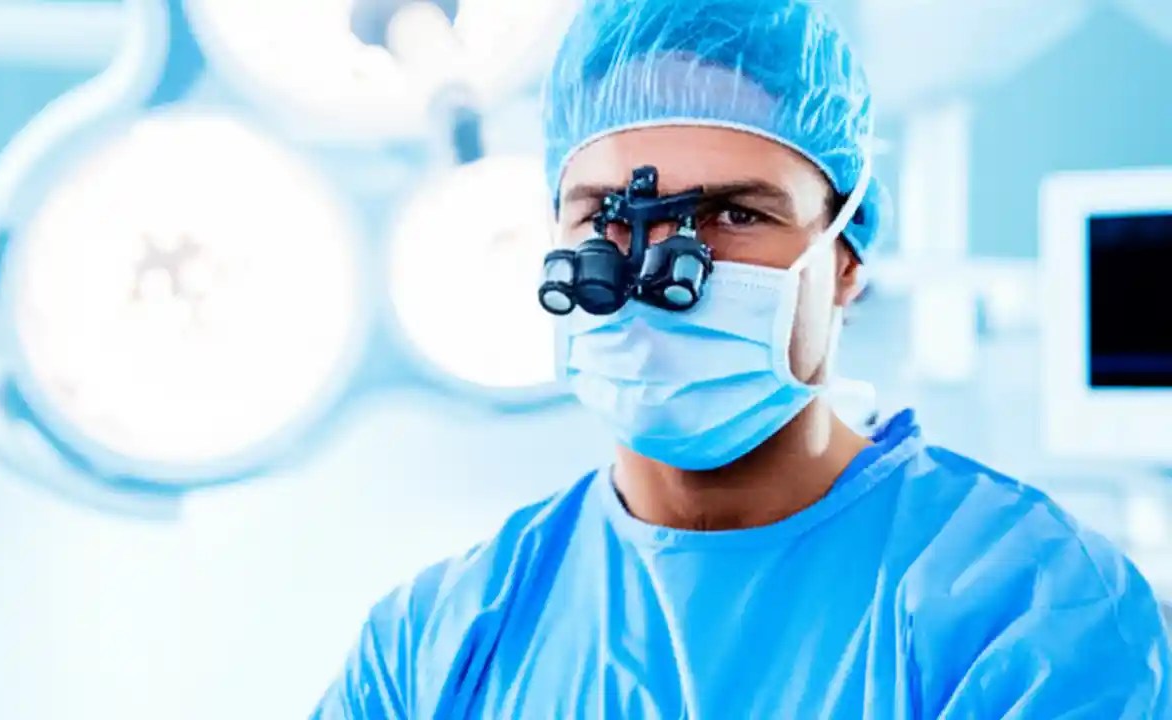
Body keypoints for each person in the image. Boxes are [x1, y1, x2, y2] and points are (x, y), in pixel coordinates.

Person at [316, 0, 1172, 717]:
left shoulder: (1029, 612)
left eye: (733, 215)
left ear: (844, 262)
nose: (649, 266)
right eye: (603, 215)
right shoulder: (432, 644)